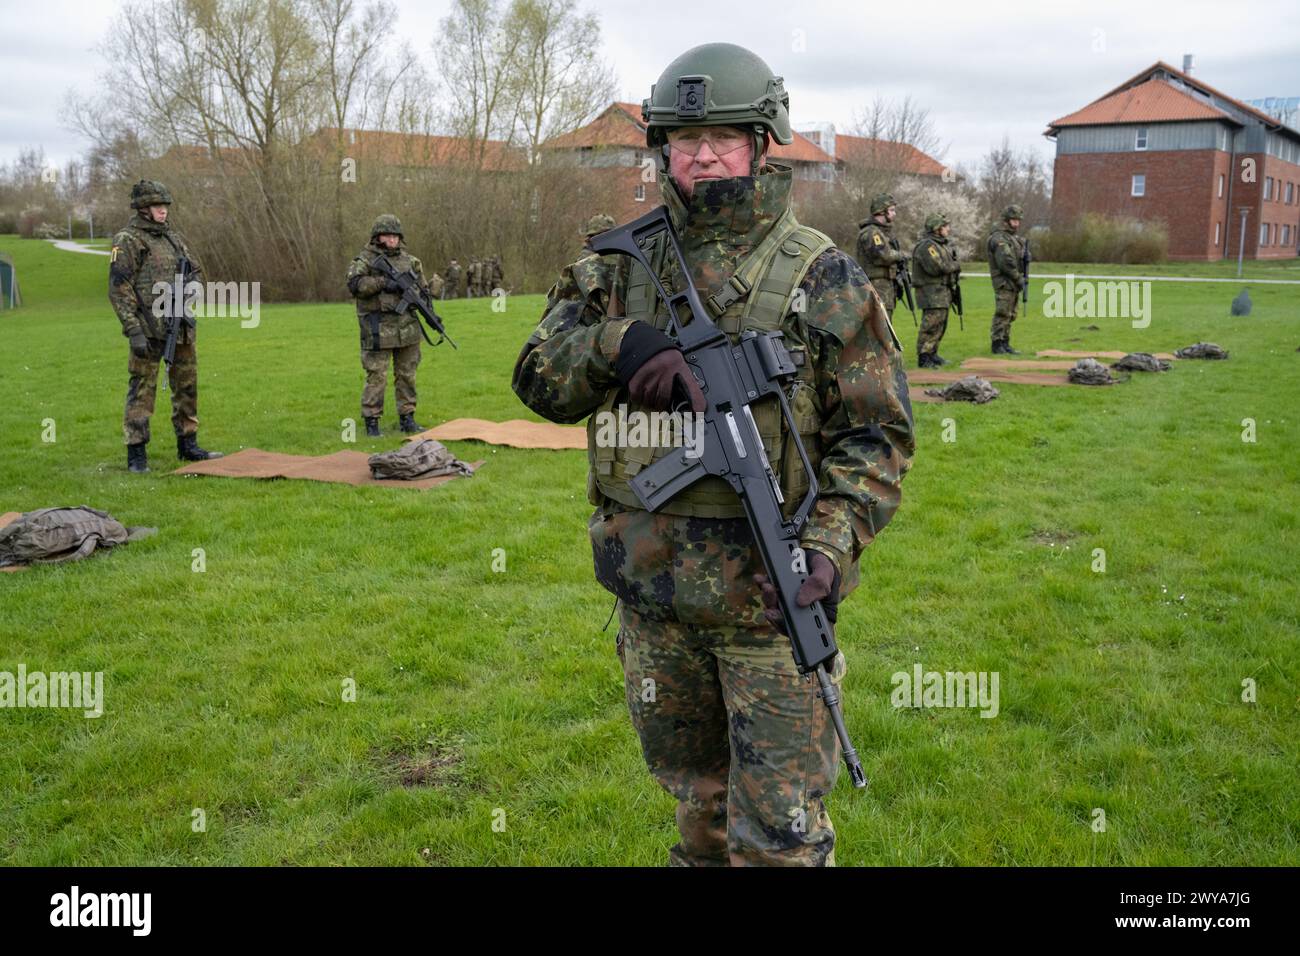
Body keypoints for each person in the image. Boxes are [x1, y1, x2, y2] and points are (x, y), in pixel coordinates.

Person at [512, 42, 914, 867]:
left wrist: (832, 548)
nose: (701, 154)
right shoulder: (612, 267)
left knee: (779, 838)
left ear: (763, 142)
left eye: (723, 136)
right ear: (662, 147)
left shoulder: (826, 277)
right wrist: (617, 344)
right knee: (699, 816)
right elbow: (535, 379)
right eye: (683, 139)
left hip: (772, 603)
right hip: (653, 602)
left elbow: (877, 436)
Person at [109, 179, 223, 473]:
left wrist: (192, 288)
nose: (163, 211)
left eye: (165, 206)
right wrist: (132, 329)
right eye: (158, 206)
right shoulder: (128, 240)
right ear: (143, 209)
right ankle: (137, 454)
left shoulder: (173, 237)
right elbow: (119, 288)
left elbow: (196, 271)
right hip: (147, 329)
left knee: (186, 386)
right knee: (142, 391)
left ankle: (188, 444)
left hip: (180, 325)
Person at [345, 214, 433, 437]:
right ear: (377, 237)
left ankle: (408, 418)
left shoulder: (411, 261)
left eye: (395, 236)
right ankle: (372, 422)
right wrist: (385, 283)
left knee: (407, 374)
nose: (392, 240)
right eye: (387, 235)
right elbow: (356, 285)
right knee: (377, 376)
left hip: (407, 329)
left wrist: (427, 304)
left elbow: (424, 289)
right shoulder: (364, 260)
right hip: (378, 328)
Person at [911, 213, 961, 367]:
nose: (948, 229)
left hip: (941, 292)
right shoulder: (928, 246)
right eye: (945, 227)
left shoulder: (940, 245)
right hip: (930, 292)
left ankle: (933, 353)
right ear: (936, 229)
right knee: (930, 324)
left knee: (941, 324)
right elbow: (938, 267)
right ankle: (924, 356)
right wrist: (956, 265)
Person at [855, 193, 908, 319]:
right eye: (891, 210)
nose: (894, 213)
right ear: (881, 212)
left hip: (883, 287)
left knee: (885, 328)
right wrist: (901, 255)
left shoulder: (880, 232)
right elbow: (885, 256)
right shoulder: (872, 233)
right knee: (880, 328)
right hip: (876, 287)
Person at [987, 203, 1027, 354]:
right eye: (1014, 220)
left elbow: (1016, 259)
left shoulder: (1012, 238)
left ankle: (1005, 342)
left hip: (1012, 283)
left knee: (1011, 314)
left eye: (1018, 220)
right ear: (1006, 220)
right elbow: (1006, 263)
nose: (1017, 223)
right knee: (1002, 313)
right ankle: (997, 344)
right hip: (1004, 282)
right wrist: (1018, 278)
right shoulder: (999, 238)